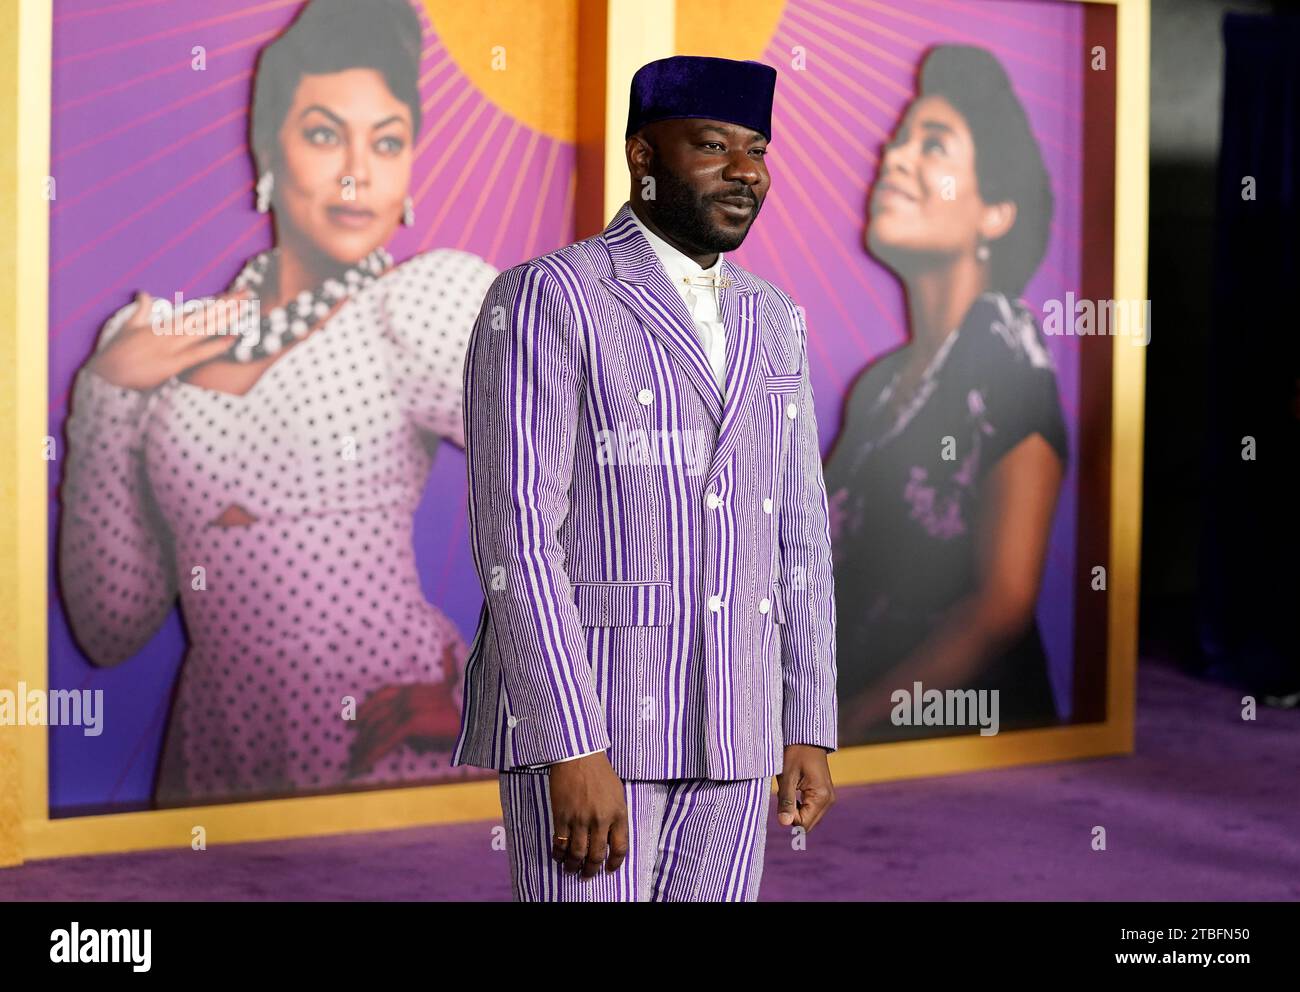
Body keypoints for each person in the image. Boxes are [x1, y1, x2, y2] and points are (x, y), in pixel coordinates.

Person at [58, 0, 497, 805]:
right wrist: (108, 393)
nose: (357, 172)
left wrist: (502, 701)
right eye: (326, 134)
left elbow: (610, 480)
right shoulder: (156, 342)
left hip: (388, 757)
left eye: (387, 141)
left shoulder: (417, 309)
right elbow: (110, 626)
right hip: (220, 757)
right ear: (269, 148)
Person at [452, 55, 838, 901]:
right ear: (642, 156)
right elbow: (514, 532)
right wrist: (571, 745)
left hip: (739, 726)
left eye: (757, 150)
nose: (746, 171)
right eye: (712, 145)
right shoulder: (549, 297)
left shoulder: (774, 317)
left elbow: (800, 534)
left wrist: (807, 722)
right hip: (600, 723)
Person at [824, 45, 1067, 743]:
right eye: (899, 140)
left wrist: (843, 734)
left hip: (957, 754)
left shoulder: (1003, 349)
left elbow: (1002, 606)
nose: (894, 158)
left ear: (994, 212)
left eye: (932, 146)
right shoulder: (879, 386)